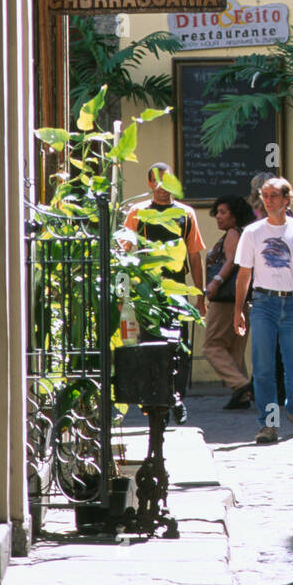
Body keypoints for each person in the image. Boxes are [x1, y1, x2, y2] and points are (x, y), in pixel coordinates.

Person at [233, 176, 293, 444]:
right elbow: (244, 275)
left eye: (274, 195)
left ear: (287, 199)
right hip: (264, 304)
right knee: (263, 367)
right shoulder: (252, 233)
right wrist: (238, 310)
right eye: (264, 195)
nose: (268, 200)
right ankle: (268, 423)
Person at [123, 162, 206, 423]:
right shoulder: (138, 212)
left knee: (179, 343)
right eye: (156, 181)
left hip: (177, 287)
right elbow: (125, 253)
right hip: (146, 287)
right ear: (149, 184)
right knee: (149, 343)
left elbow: (194, 256)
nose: (161, 186)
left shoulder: (186, 214)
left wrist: (200, 295)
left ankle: (176, 396)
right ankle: (153, 399)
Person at [203, 193, 255, 409]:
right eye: (218, 212)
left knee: (212, 346)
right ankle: (241, 395)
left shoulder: (233, 234)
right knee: (234, 350)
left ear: (235, 216)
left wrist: (215, 281)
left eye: (223, 212)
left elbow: (233, 260)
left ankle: (242, 385)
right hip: (241, 299)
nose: (218, 217)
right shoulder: (244, 234)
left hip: (226, 300)